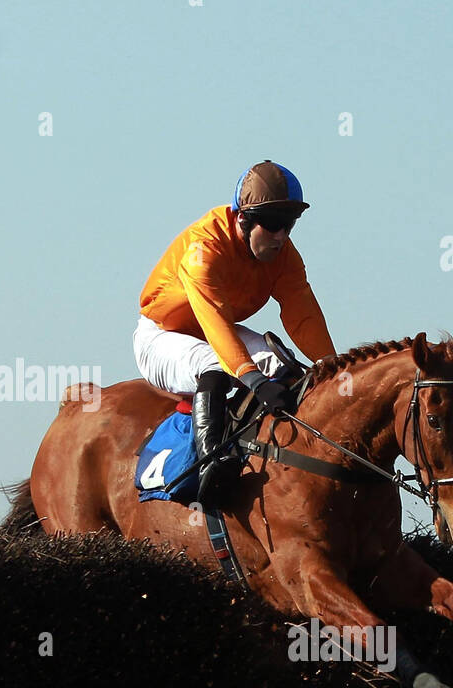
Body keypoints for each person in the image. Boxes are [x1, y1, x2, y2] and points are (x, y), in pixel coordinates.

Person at [133, 160, 338, 506]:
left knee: (284, 368)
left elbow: (302, 314)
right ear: (242, 218)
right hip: (162, 335)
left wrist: (333, 367)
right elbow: (214, 323)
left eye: (288, 224)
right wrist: (253, 380)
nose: (281, 236)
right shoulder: (205, 248)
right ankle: (211, 463)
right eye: (272, 225)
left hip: (217, 330)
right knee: (218, 366)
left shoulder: (284, 256)